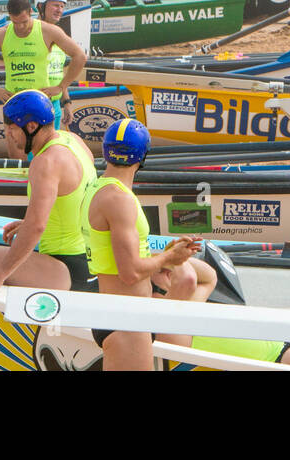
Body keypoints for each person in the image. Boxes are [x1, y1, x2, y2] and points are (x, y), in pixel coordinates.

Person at [80, 119, 212, 370]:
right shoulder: (120, 199)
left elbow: (113, 253)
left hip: (116, 311)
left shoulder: (96, 188)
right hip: (127, 318)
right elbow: (129, 272)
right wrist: (168, 259)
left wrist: (165, 253)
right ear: (143, 156)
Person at [0, 90, 99, 304]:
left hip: (64, 269)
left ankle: (1, 333)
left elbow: (37, 226)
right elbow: (80, 198)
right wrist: (31, 222)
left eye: (12, 128)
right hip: (89, 263)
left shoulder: (46, 161)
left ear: (31, 127)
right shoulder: (74, 141)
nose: (9, 135)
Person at [0, 0, 86, 130]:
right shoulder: (1, 34)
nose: (20, 27)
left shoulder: (49, 31)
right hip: (14, 103)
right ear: (10, 16)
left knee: (44, 150)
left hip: (42, 103)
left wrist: (61, 88)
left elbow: (80, 57)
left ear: (31, 12)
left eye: (24, 22)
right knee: (16, 151)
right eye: (15, 23)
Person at [35, 0, 76, 127]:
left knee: (51, 148)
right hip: (36, 104)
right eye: (55, 5)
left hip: (55, 105)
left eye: (62, 6)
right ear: (41, 6)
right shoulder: (31, 33)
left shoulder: (59, 36)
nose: (59, 10)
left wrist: (67, 103)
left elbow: (58, 72)